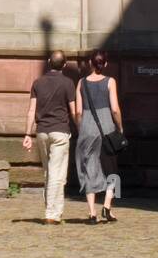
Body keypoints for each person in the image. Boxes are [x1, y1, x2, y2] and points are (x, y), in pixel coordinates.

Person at [22, 51, 76, 225]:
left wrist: (27, 134)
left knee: (50, 172)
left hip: (42, 132)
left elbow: (31, 110)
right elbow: (74, 111)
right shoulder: (68, 83)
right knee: (56, 173)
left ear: (48, 62)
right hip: (60, 132)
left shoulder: (37, 83)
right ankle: (51, 213)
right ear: (64, 65)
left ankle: (56, 211)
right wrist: (80, 128)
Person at [76, 50, 123, 224]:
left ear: (90, 63)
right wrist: (120, 127)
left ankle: (92, 213)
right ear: (105, 64)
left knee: (89, 167)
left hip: (87, 127)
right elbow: (115, 109)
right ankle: (107, 206)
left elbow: (78, 112)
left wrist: (81, 128)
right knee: (111, 167)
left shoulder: (81, 83)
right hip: (107, 127)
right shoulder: (110, 81)